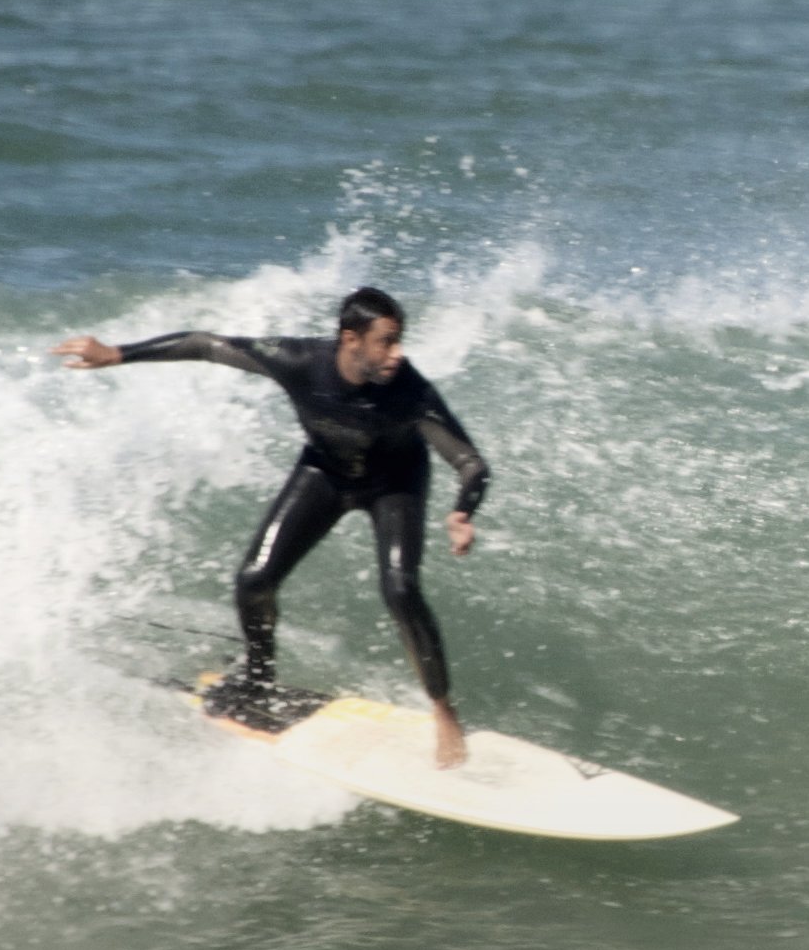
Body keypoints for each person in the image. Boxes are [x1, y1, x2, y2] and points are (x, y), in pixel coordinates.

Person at [58, 285, 491, 766]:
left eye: (399, 340)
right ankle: (258, 680)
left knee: (401, 590)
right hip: (325, 472)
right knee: (253, 581)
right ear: (350, 339)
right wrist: (117, 354)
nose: (398, 352)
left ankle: (443, 710)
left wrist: (462, 511)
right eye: (386, 341)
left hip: (395, 483)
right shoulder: (300, 360)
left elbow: (470, 462)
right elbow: (206, 345)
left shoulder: (412, 394)